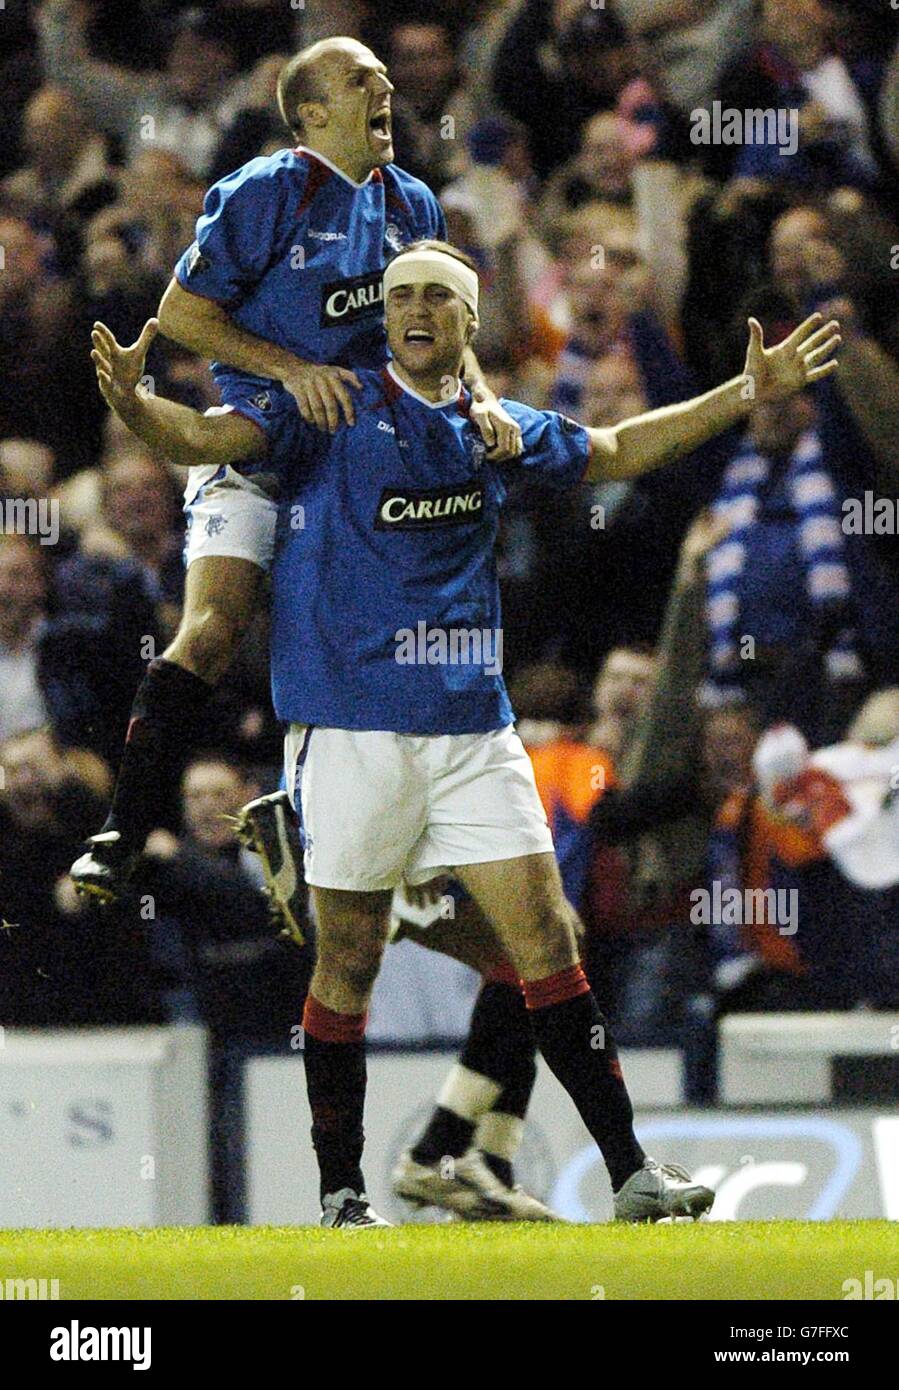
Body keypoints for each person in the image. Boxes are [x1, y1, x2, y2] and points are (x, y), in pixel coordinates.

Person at [85, 237, 841, 1227]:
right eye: (398, 294)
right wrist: (137, 407)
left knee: (545, 938)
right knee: (346, 958)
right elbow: (202, 441)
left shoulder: (495, 430)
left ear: (468, 323)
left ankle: (626, 1174)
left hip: (471, 733)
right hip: (350, 730)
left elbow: (612, 449)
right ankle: (343, 1190)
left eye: (436, 297)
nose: (412, 308)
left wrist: (740, 394)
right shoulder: (328, 406)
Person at [71, 36, 523, 942]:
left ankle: (335, 832)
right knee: (214, 623)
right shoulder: (267, 193)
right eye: (364, 80)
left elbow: (445, 318)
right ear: (312, 111)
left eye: (386, 80)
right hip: (255, 437)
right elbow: (183, 316)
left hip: (355, 458)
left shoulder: (414, 201)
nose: (386, 88)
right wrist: (287, 369)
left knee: (384, 641)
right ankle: (124, 829)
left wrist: (477, 398)